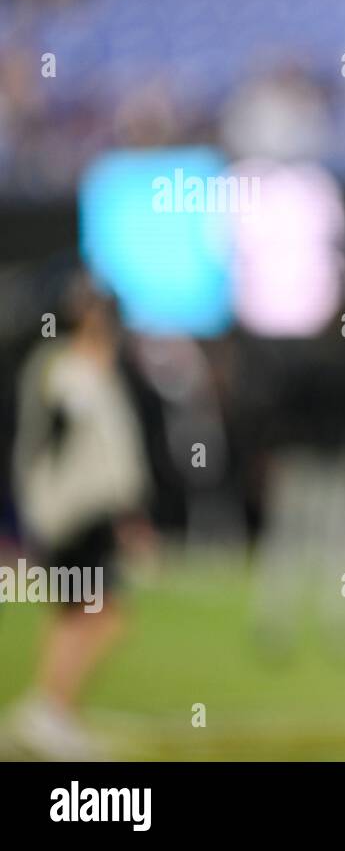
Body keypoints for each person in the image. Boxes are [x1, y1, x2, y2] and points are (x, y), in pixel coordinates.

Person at [6, 271, 150, 759]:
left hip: (86, 509)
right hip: (72, 510)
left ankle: (53, 708)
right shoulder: (65, 368)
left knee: (87, 611)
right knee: (93, 612)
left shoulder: (84, 369)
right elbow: (64, 435)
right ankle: (50, 709)